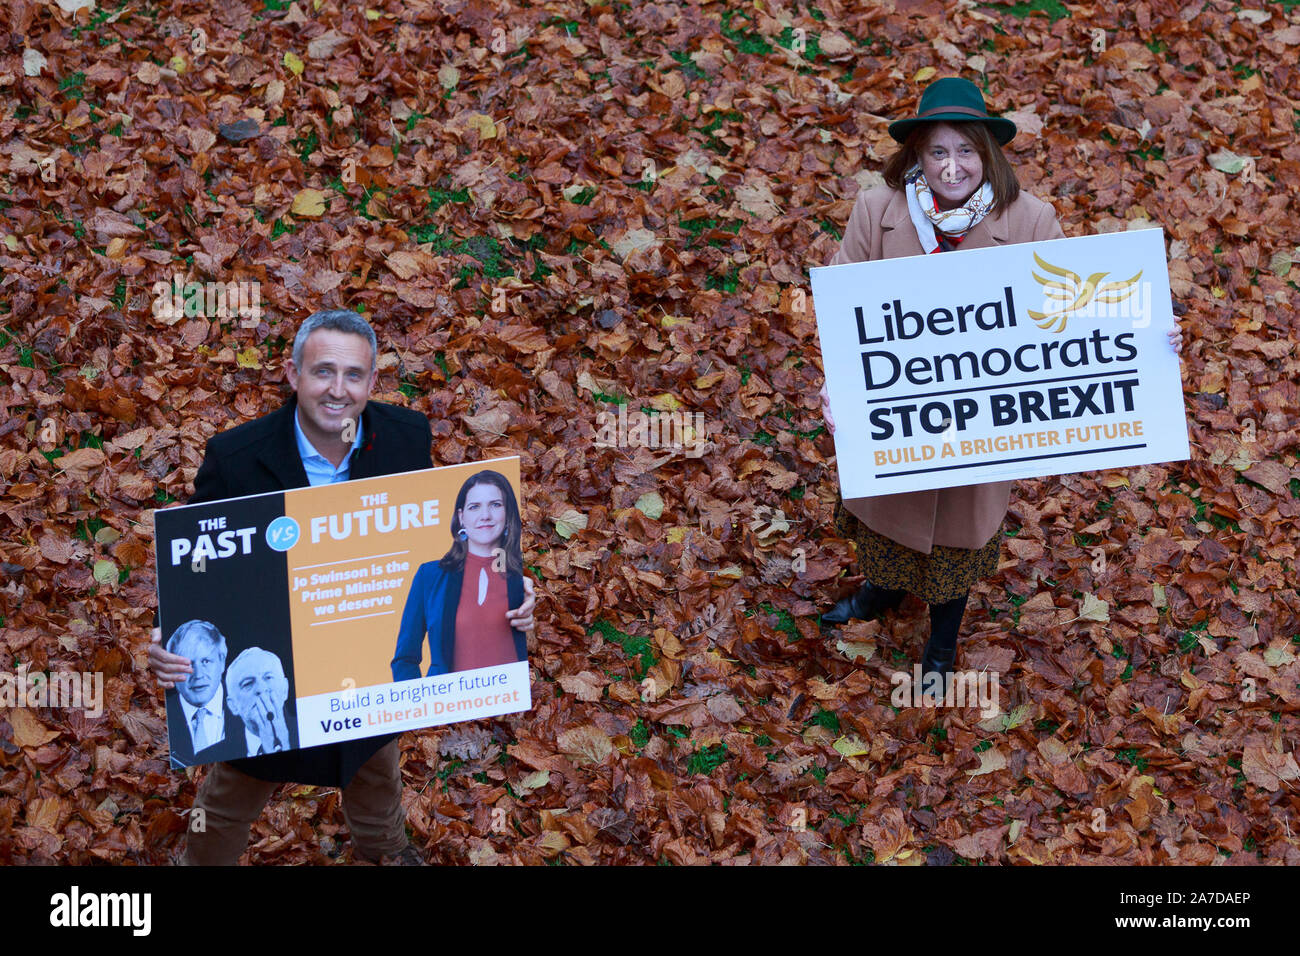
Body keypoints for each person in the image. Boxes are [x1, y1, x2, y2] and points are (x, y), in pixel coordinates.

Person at [818, 77, 1182, 694]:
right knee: (888, 518)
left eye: (966, 150)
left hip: (982, 421)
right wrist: (840, 382)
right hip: (900, 412)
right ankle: (879, 591)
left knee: (955, 535)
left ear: (988, 152)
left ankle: (940, 644)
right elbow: (844, 305)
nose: (952, 166)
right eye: (937, 152)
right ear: (916, 155)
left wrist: (1150, 334)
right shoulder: (877, 209)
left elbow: (1076, 309)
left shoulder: (1033, 218)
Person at [147, 309, 538, 865]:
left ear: (372, 381)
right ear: (292, 375)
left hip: (362, 647)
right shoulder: (236, 458)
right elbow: (196, 561)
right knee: (239, 780)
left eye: (353, 375)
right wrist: (171, 631)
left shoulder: (405, 438)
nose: (337, 390)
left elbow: (427, 547)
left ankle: (388, 851)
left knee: (374, 766)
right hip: (272, 643)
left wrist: (510, 598)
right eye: (322, 372)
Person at [391, 470, 527, 680]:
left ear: (508, 513)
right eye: (475, 507)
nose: (485, 515)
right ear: (461, 517)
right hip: (452, 708)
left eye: (495, 504)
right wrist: (424, 706)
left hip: (512, 704)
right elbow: (405, 659)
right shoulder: (430, 575)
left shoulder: (521, 573)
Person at [165, 620, 242, 767]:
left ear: (222, 662)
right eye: (187, 664)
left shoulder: (250, 709)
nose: (198, 675)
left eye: (206, 661)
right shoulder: (160, 714)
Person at [224, 647, 295, 758]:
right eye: (247, 683)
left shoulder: (312, 729)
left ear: (285, 689)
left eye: (268, 677)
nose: (261, 688)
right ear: (233, 705)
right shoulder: (210, 756)